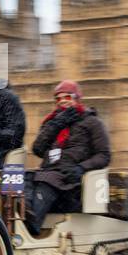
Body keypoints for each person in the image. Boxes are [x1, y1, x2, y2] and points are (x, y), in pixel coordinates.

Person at [27, 80, 110, 235]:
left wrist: (81, 167)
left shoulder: (92, 122)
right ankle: (20, 218)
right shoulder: (52, 122)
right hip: (48, 173)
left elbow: (104, 156)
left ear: (77, 98)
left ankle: (32, 226)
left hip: (71, 180)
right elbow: (37, 149)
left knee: (47, 181)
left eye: (67, 96)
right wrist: (56, 124)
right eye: (58, 98)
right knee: (22, 179)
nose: (62, 101)